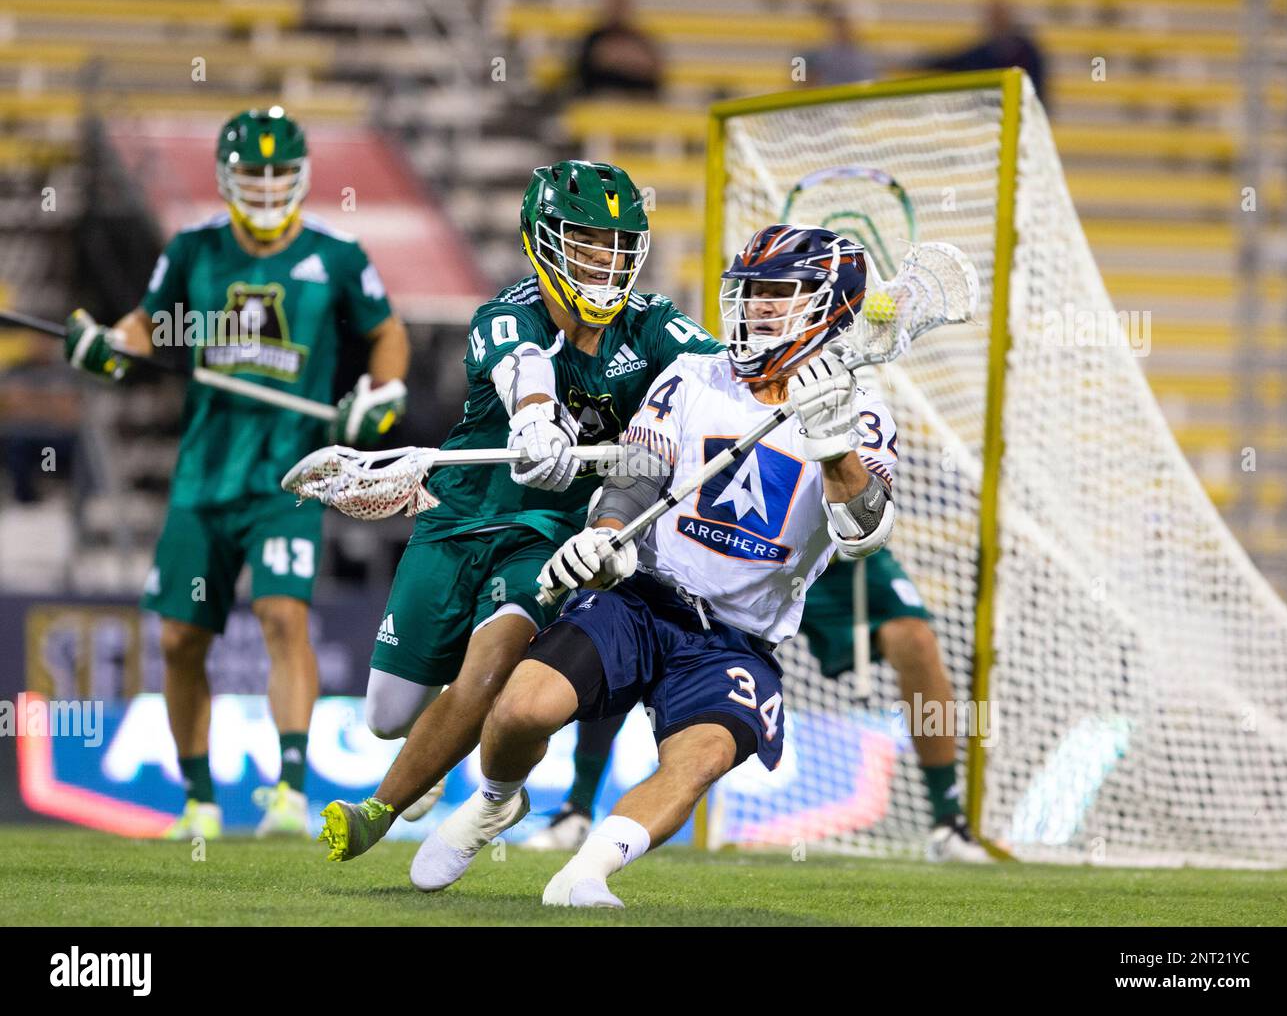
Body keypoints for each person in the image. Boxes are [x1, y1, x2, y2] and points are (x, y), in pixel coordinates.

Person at [411, 224, 898, 907]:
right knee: (523, 710)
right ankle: (494, 801)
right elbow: (640, 470)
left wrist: (833, 446)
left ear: (832, 306)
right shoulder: (695, 372)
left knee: (699, 758)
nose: (757, 307)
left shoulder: (863, 412)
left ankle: (585, 873)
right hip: (641, 596)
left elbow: (863, 533)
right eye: (751, 291)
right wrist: (607, 534)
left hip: (735, 635)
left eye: (779, 293)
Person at [316, 160, 720, 861]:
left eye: (617, 247)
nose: (603, 263)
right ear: (542, 239)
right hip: (457, 522)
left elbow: (722, 379)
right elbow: (526, 367)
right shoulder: (506, 314)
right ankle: (435, 748)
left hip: (547, 531)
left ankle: (402, 802)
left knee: (494, 659)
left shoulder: (652, 327)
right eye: (586, 244)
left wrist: (791, 371)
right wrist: (536, 421)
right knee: (386, 714)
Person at [63, 107, 410, 839]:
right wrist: (106, 343)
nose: (264, 188)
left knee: (283, 615)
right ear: (225, 178)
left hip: (290, 474)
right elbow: (147, 325)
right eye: (251, 175)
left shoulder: (337, 254)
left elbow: (387, 334)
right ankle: (198, 801)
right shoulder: (192, 248)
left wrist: (380, 397)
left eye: (277, 174)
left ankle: (287, 792)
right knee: (180, 639)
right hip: (203, 477)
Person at [527, 549, 987, 863]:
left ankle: (949, 822)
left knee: (917, 639)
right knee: (634, 630)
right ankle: (578, 809)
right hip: (733, 532)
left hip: (824, 542)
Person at [921, 1, 1049, 110]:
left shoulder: (1026, 51)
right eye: (993, 17)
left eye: (999, 16)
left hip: (1021, 114)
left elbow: (1036, 86)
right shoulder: (983, 51)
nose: (995, 21)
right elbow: (951, 61)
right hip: (992, 116)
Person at [575, 0, 663, 97]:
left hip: (636, 102)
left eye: (621, 4)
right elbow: (584, 72)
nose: (618, 9)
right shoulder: (594, 37)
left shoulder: (641, 39)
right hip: (602, 101)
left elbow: (654, 73)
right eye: (615, 4)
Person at [805, 1, 878, 87]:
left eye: (846, 24)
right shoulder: (821, 53)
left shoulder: (865, 55)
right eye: (839, 24)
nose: (842, 29)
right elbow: (803, 70)